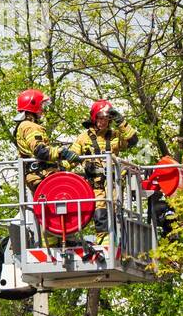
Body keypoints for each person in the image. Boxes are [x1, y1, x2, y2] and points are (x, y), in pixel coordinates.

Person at [13, 88, 79, 247]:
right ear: (33, 106)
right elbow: (40, 151)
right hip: (41, 176)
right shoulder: (30, 126)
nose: (42, 110)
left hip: (40, 175)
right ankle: (59, 243)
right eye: (41, 106)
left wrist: (62, 165)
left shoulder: (24, 125)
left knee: (50, 211)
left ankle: (57, 242)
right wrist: (63, 152)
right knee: (59, 206)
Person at [74, 100, 140, 238]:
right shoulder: (83, 138)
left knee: (117, 213)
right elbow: (72, 156)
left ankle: (118, 241)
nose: (102, 121)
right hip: (96, 183)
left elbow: (133, 140)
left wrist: (121, 121)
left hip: (114, 182)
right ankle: (103, 242)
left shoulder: (115, 135)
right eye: (100, 118)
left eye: (106, 119)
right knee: (100, 212)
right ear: (94, 117)